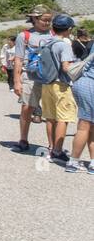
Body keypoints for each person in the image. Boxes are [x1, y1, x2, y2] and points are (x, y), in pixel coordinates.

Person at [10, 6, 53, 154]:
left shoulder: (54, 34)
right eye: (44, 20)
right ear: (34, 19)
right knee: (26, 108)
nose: (47, 23)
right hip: (29, 76)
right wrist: (17, 81)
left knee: (51, 112)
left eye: (49, 20)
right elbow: (19, 59)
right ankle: (23, 139)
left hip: (49, 77)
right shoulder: (24, 36)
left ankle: (52, 145)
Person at [39, 13, 79, 165]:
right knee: (64, 117)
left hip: (46, 83)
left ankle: (51, 147)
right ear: (68, 29)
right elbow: (66, 67)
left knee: (50, 117)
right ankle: (57, 151)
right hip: (61, 85)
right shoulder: (64, 45)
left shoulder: (47, 42)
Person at [66, 50, 94, 174]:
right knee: (85, 126)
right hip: (91, 86)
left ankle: (88, 162)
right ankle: (73, 162)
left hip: (83, 82)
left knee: (89, 125)